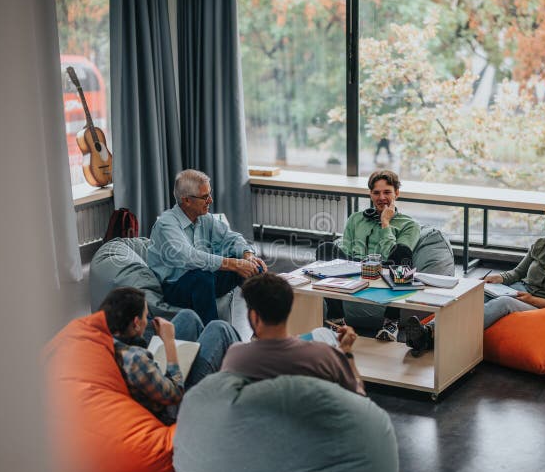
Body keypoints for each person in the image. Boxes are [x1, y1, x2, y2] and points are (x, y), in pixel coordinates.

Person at [398, 200, 545, 356]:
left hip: (541, 305)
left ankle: (435, 337)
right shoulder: (541, 245)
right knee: (474, 293)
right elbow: (517, 273)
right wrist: (498, 279)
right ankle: (426, 331)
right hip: (520, 291)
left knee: (503, 303)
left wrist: (536, 300)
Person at [101, 287, 241, 425]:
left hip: (151, 382)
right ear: (136, 323)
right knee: (220, 329)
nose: (148, 321)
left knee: (188, 316)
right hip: (174, 409)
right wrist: (169, 343)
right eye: (146, 316)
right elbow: (175, 394)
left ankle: (215, 388)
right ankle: (249, 392)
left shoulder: (108, 345)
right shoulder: (135, 360)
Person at [147, 169, 267, 325]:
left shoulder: (205, 219)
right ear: (186, 200)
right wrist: (233, 264)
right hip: (174, 287)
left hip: (203, 280)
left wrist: (247, 255)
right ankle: (213, 335)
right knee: (202, 277)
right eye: (205, 197)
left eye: (210, 194)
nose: (210, 200)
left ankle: (263, 327)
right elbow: (189, 257)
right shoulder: (166, 224)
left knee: (253, 269)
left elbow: (232, 238)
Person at [220, 273, 366, 396]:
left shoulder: (236, 356)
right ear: (289, 307)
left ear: (254, 317)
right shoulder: (323, 355)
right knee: (321, 333)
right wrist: (347, 352)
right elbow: (358, 394)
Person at [316, 169, 420, 341]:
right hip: (356, 269)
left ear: (397, 193)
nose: (381, 198)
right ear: (370, 194)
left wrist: (385, 223)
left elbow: (396, 254)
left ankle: (390, 323)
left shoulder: (410, 225)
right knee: (326, 248)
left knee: (403, 254)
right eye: (376, 193)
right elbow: (346, 251)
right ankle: (337, 319)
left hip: (387, 270)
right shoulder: (356, 219)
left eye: (387, 192)